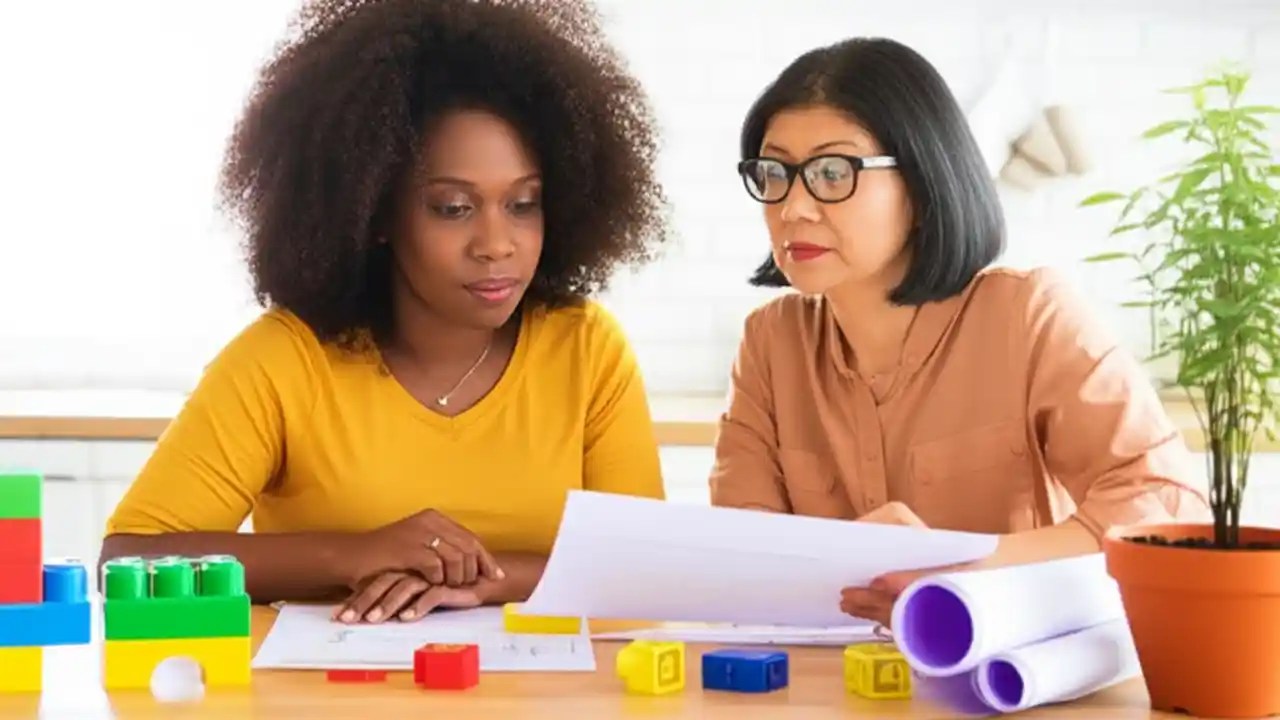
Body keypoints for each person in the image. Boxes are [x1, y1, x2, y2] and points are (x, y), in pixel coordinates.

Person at [101, 0, 672, 625]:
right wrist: (353, 556)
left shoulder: (586, 351)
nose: (497, 243)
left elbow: (644, 566)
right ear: (374, 213)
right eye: (453, 208)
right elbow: (127, 559)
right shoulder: (286, 360)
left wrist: (485, 580)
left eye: (523, 203)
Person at [709, 37, 1212, 626]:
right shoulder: (769, 343)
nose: (793, 207)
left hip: (1005, 680)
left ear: (921, 189)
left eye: (831, 172)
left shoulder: (1029, 314)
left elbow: (1166, 505)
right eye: (774, 173)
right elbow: (741, 547)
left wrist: (964, 567)